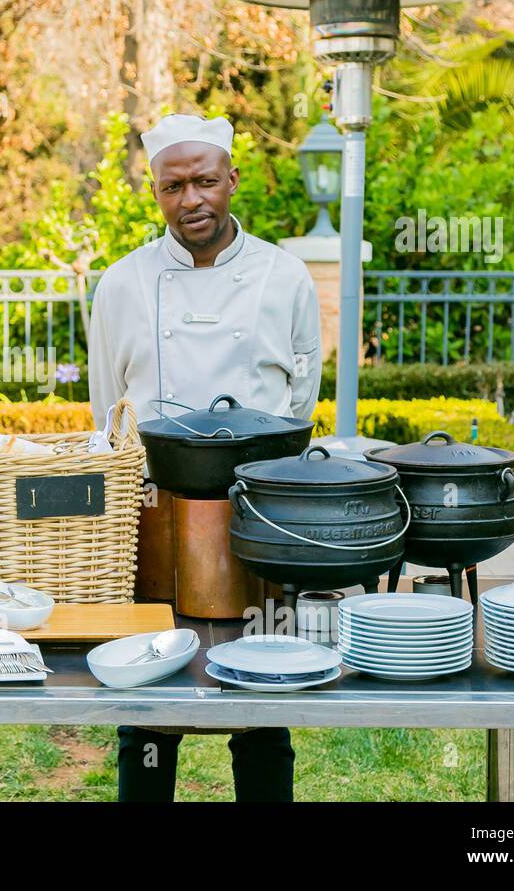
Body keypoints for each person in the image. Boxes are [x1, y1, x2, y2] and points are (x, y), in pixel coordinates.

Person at [87, 113, 322, 802]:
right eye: (173, 186)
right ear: (155, 192)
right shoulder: (121, 284)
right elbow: (109, 408)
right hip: (155, 513)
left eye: (205, 182)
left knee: (262, 694)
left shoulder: (284, 277)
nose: (192, 200)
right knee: (147, 692)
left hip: (256, 515)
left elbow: (298, 402)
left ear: (232, 181)